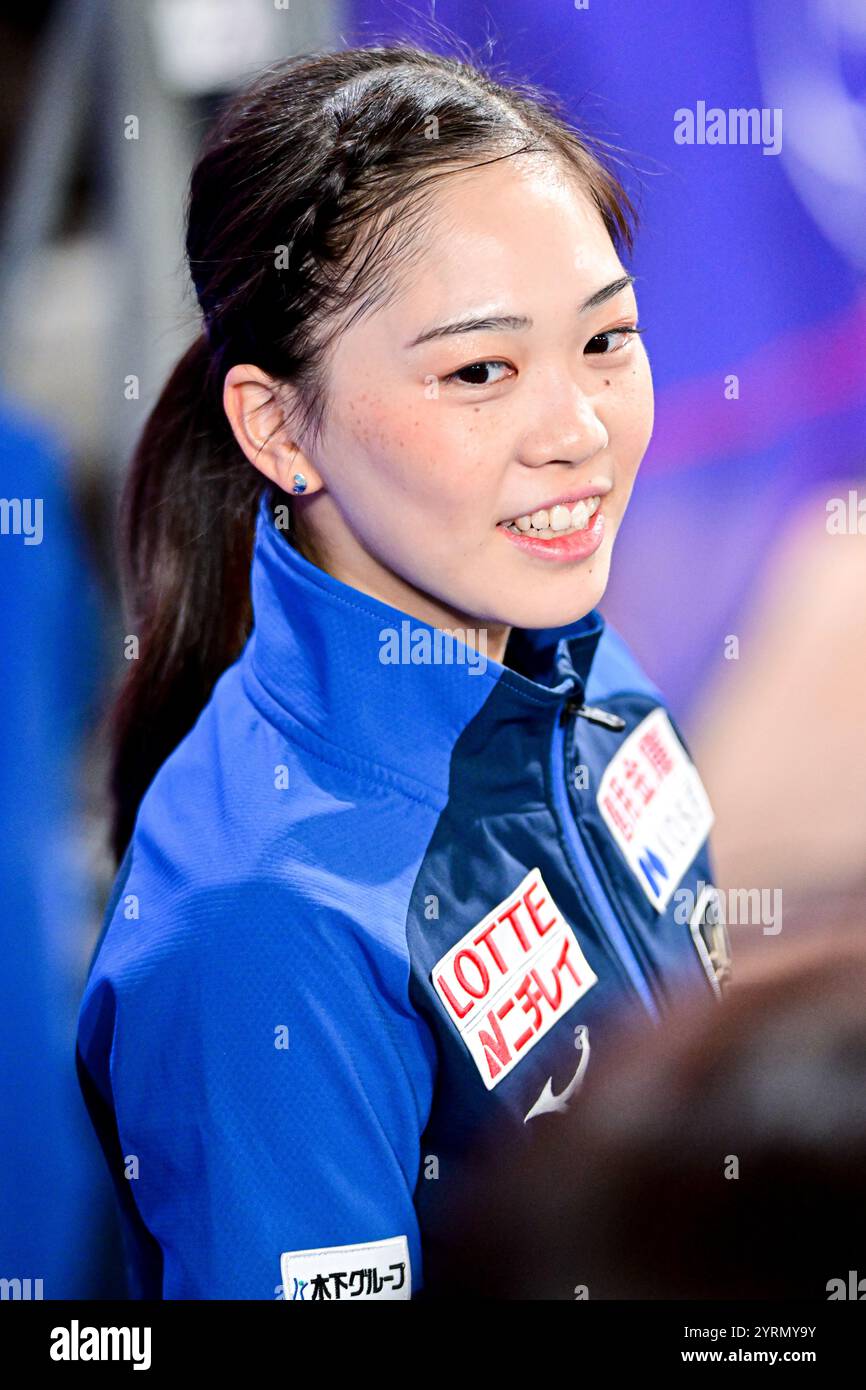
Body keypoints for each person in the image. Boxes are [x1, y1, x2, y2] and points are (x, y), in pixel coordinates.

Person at [76, 42, 725, 1300]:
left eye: (605, 341)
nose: (577, 434)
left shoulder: (580, 669)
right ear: (277, 425)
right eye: (480, 371)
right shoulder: (261, 929)